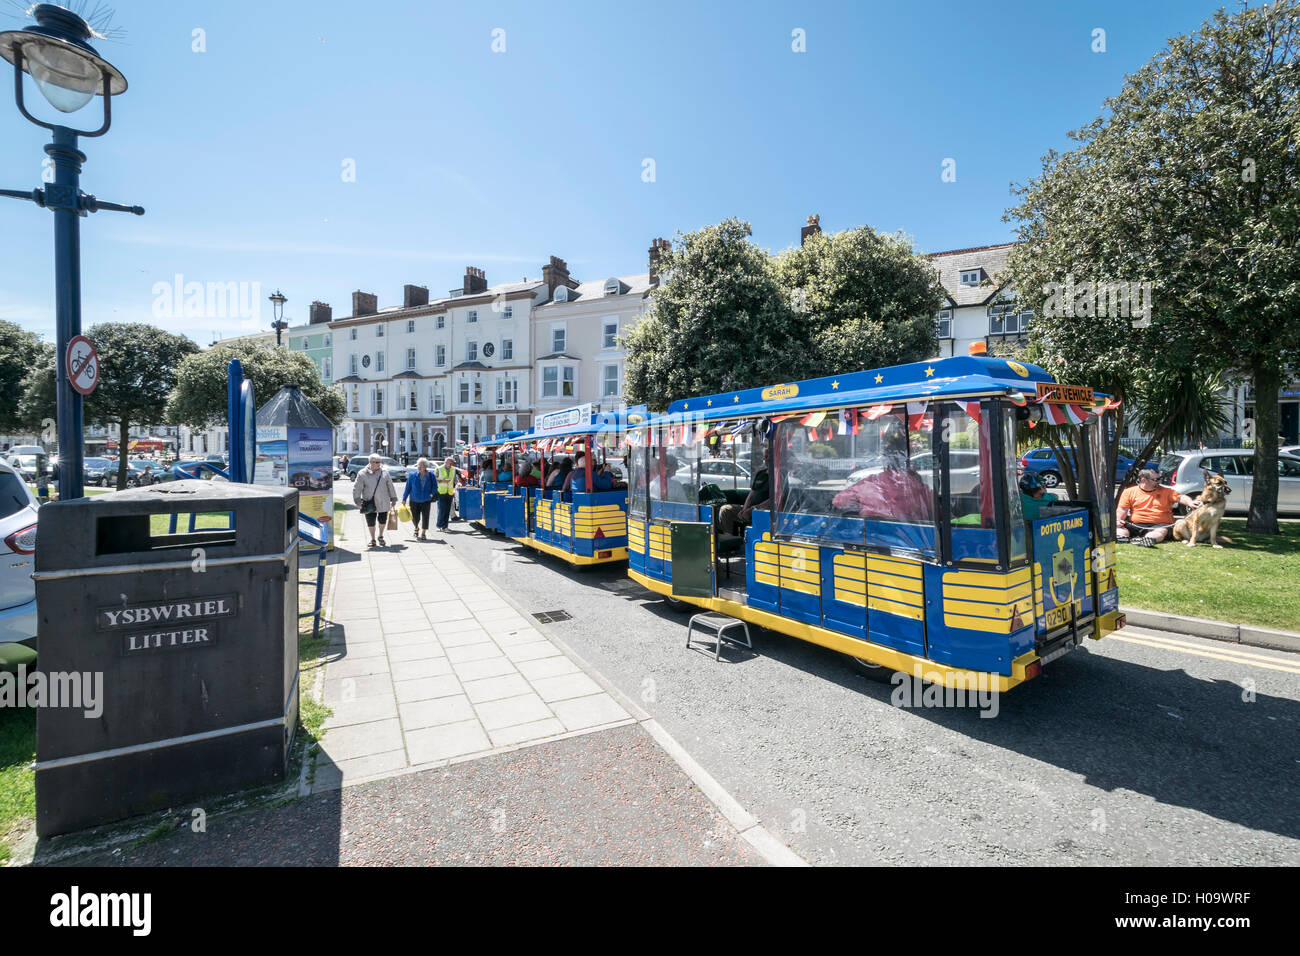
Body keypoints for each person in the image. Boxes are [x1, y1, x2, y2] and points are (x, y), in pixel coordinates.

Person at [831, 422, 932, 521]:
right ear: (910, 460)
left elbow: (838, 501)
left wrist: (864, 506)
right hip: (913, 535)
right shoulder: (919, 487)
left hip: (873, 534)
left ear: (885, 460)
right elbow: (937, 514)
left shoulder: (870, 483)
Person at [1116, 467, 1199, 547]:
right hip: (1136, 524)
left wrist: (1191, 502)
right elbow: (1122, 509)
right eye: (1155, 480)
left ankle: (1147, 540)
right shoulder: (1129, 492)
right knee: (1121, 530)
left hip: (1160, 525)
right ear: (1143, 480)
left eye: (1159, 479)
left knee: (1161, 531)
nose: (1159, 482)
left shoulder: (1166, 491)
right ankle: (1121, 538)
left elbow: (1180, 497)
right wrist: (1119, 521)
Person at [716, 445, 771, 535]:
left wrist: (754, 509)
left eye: (769, 457)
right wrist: (744, 510)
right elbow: (751, 494)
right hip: (750, 508)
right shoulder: (761, 474)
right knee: (725, 510)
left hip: (764, 511)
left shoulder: (778, 476)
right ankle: (732, 540)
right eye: (765, 457)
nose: (766, 459)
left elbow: (774, 500)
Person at [354, 453, 398, 547]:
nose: (379, 464)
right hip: (369, 502)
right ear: (371, 462)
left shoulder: (385, 472)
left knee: (382, 520)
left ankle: (381, 536)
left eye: (380, 462)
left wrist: (393, 498)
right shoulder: (362, 473)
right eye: (377, 462)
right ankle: (373, 539)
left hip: (383, 501)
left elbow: (390, 486)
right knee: (371, 521)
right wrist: (357, 499)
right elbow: (357, 487)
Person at [402, 457, 436, 540]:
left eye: (421, 465)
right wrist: (404, 499)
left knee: (425, 517)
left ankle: (423, 533)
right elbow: (408, 488)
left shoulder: (431, 475)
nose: (419, 467)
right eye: (418, 465)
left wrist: (431, 494)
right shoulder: (412, 476)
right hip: (414, 500)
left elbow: (435, 486)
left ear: (425, 467)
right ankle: (416, 528)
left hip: (426, 500)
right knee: (415, 517)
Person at [434, 456, 458, 531]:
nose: (450, 464)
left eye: (451, 462)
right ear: (446, 462)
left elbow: (455, 480)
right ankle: (440, 525)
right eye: (449, 462)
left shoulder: (453, 470)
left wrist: (458, 483)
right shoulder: (439, 469)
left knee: (447, 510)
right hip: (441, 492)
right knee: (442, 509)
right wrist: (442, 481)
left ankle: (444, 526)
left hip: (449, 492)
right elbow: (434, 480)